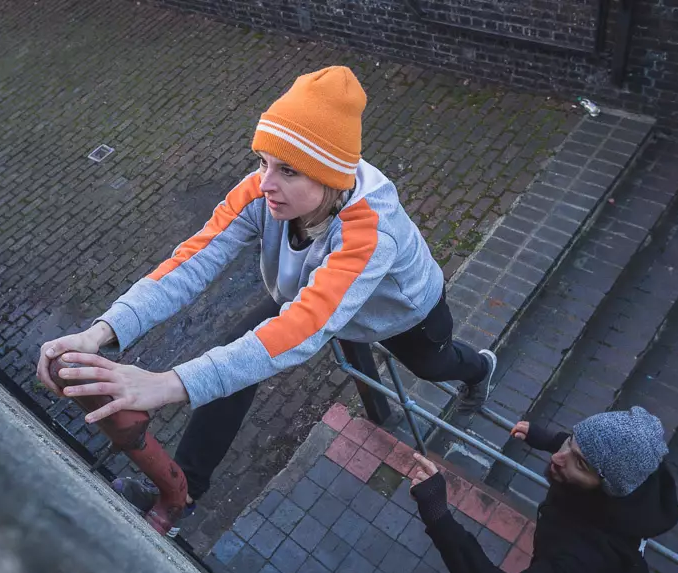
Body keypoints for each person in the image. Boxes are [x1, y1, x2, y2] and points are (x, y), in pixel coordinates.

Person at [36, 66, 496, 534]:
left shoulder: (368, 232)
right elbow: (191, 261)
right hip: (315, 298)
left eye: (288, 170)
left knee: (434, 367)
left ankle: (480, 369)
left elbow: (304, 330)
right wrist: (101, 331)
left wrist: (168, 383)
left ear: (330, 180)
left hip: (402, 317)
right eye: (263, 162)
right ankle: (186, 492)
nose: (265, 182)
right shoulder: (264, 192)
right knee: (236, 362)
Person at [409, 406, 678, 573]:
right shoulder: (639, 483)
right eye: (571, 442)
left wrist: (437, 516)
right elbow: (590, 454)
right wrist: (550, 439)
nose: (557, 458)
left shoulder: (589, 557)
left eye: (580, 463)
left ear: (609, 486)